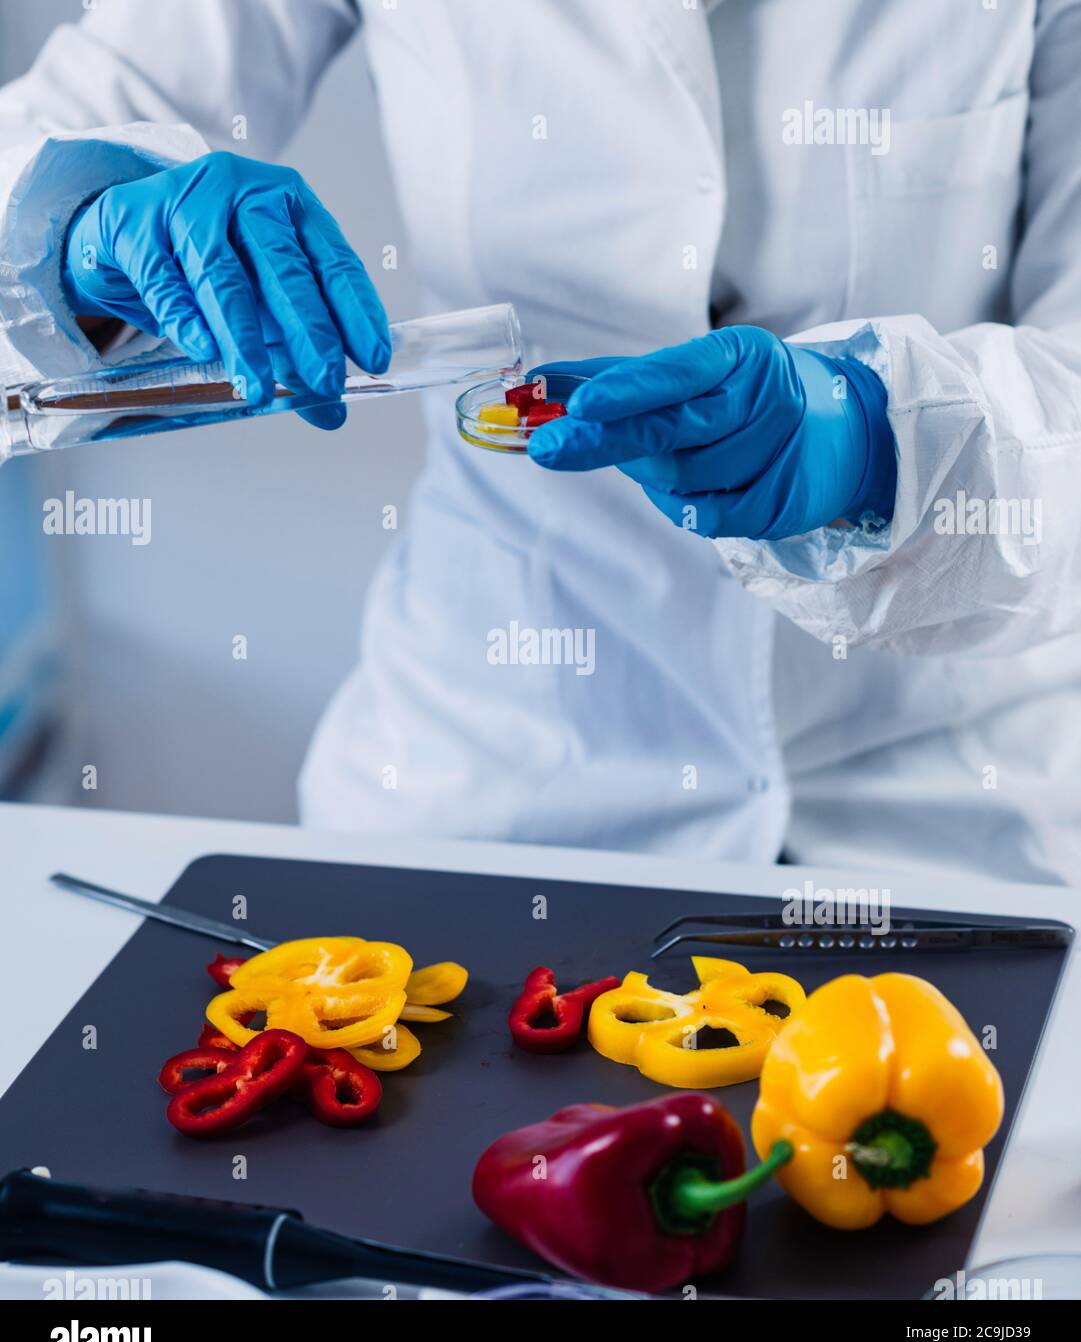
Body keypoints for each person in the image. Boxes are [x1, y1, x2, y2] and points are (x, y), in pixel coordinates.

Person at [2, 0, 1079, 884]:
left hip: (951, 814)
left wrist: (877, 443)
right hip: (505, 788)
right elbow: (66, 123)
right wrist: (83, 223)